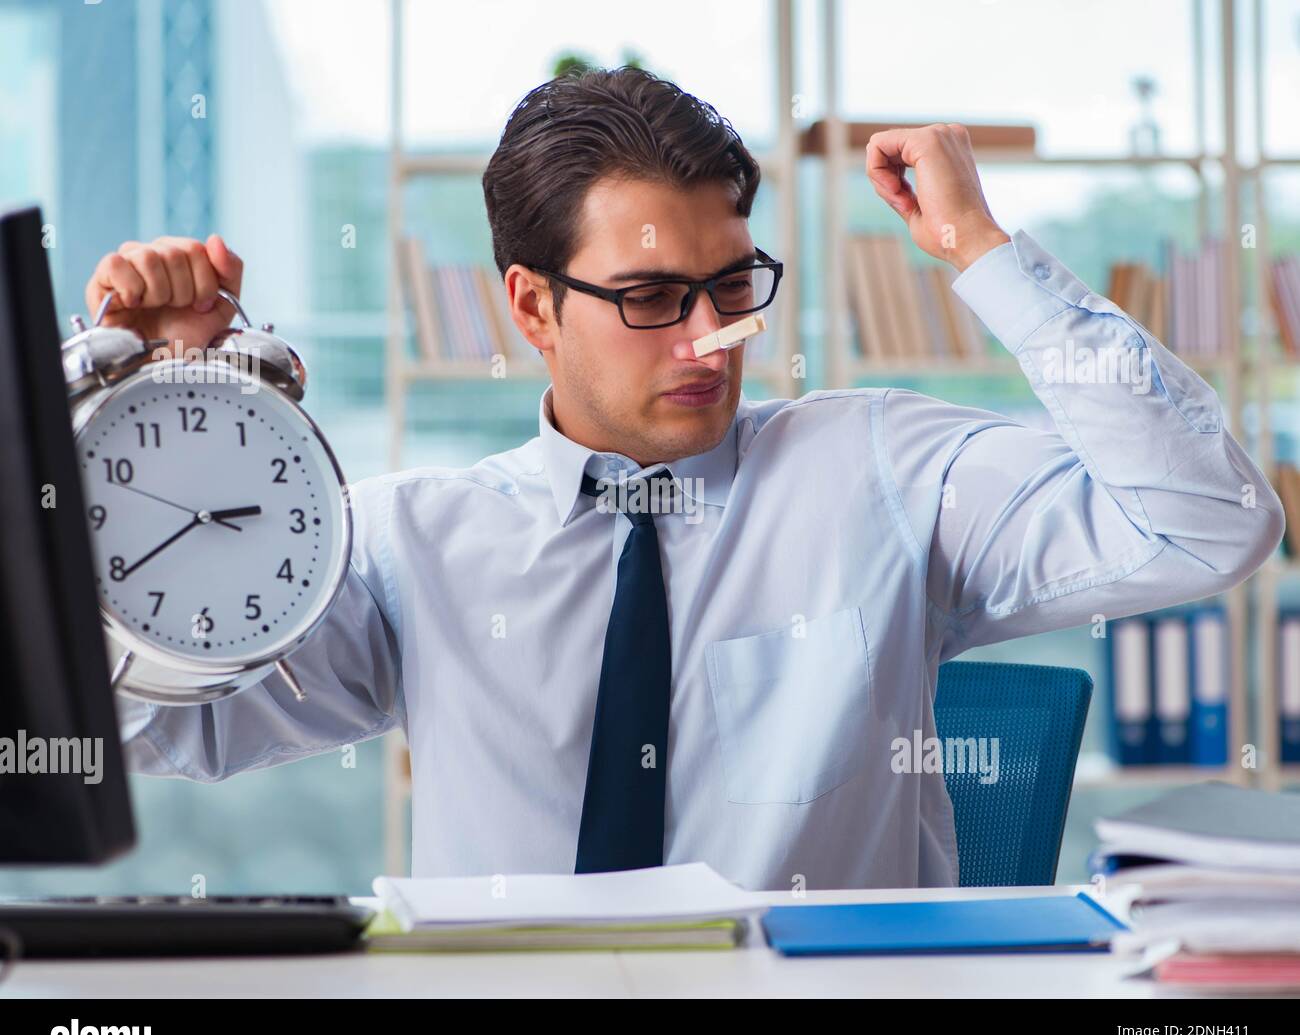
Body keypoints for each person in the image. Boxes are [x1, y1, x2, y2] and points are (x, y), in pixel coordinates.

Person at [96, 67, 1283, 890]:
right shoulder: (413, 545)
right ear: (531, 308)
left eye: (731, 286)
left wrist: (980, 251)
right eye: (654, 298)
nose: (711, 338)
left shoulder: (880, 472)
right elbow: (142, 725)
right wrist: (163, 416)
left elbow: (1206, 523)